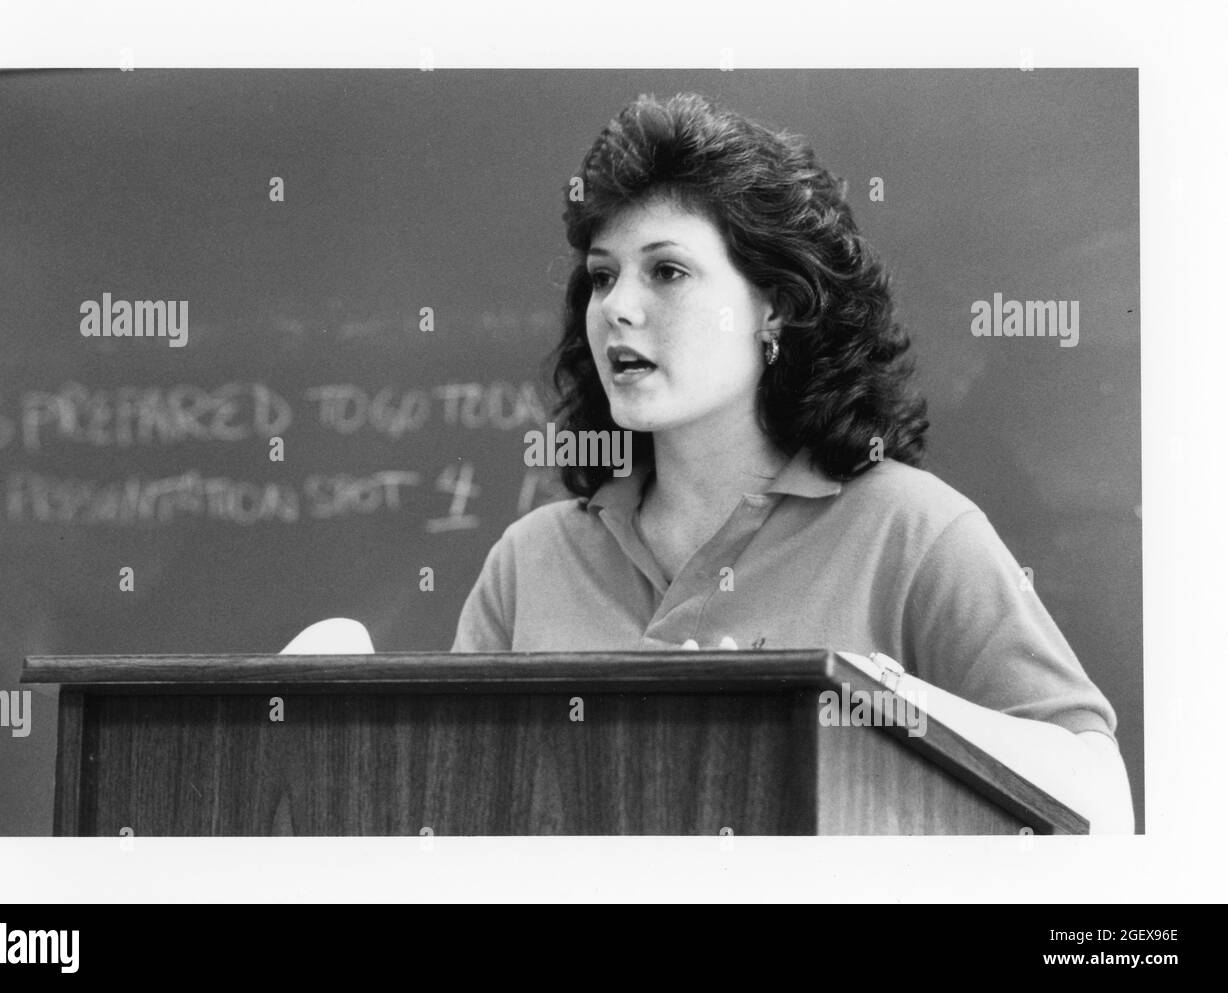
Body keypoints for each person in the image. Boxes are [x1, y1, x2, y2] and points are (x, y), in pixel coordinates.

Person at [450, 91, 1135, 832]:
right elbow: (445, 811)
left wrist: (855, 690)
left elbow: (1101, 801)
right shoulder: (530, 558)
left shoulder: (912, 528)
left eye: (667, 271)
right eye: (604, 274)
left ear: (773, 306)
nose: (616, 306)